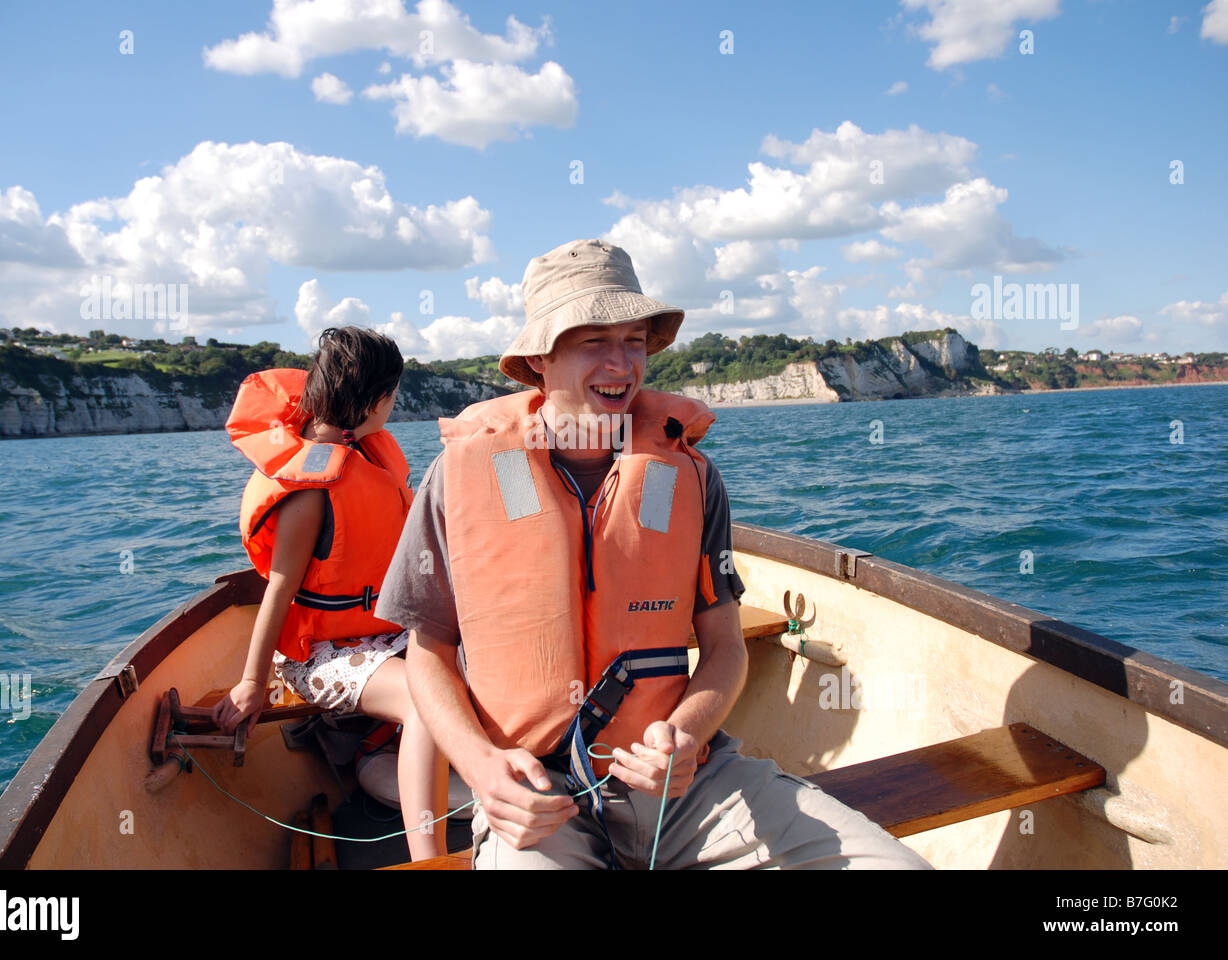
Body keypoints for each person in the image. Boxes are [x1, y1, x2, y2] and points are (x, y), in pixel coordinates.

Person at [376, 239, 931, 869]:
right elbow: (428, 654)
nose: (621, 364)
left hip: (685, 789)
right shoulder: (459, 478)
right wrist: (481, 768)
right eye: (593, 342)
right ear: (539, 357)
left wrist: (688, 737)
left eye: (634, 341)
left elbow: (724, 647)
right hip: (536, 795)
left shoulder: (691, 477)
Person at [215, 326, 449, 861]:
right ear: (377, 398)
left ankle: (392, 755)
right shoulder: (310, 490)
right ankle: (430, 859)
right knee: (425, 697)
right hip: (316, 657)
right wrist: (252, 683)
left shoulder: (362, 460)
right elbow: (279, 588)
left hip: (383, 639)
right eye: (393, 395)